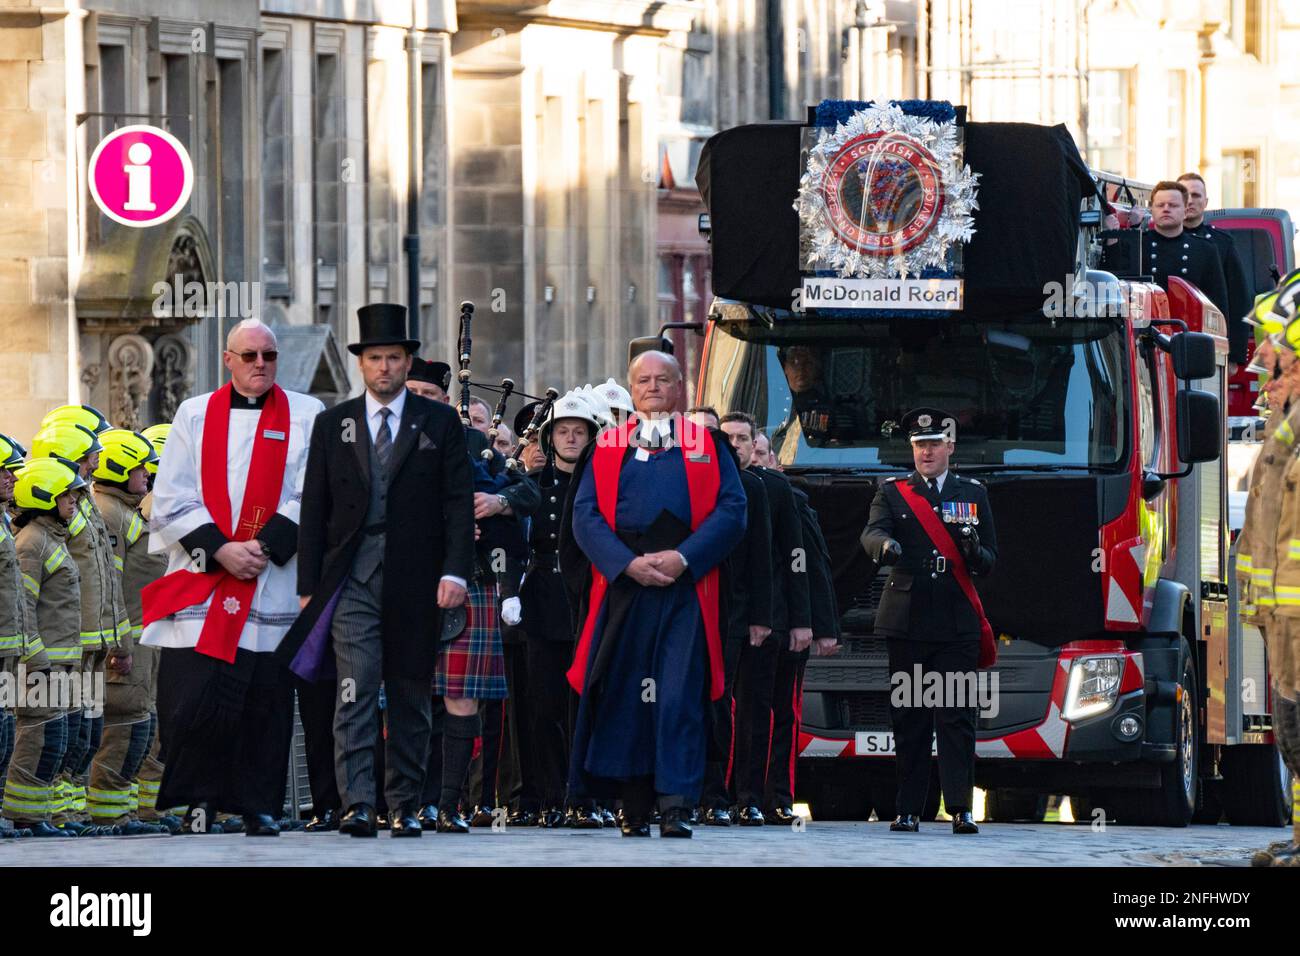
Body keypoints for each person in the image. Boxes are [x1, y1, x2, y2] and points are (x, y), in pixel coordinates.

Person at [288, 303, 475, 838]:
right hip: (351, 580)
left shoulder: (438, 421)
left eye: (394, 357)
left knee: (413, 693)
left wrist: (455, 573)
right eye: (376, 358)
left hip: (420, 580)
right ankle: (358, 804)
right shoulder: (334, 423)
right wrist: (307, 589)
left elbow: (458, 503)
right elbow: (314, 510)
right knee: (356, 690)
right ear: (361, 364)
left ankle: (405, 805)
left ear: (407, 361)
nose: (385, 367)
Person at [142, 318, 324, 837]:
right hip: (205, 579)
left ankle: (257, 805)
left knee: (264, 704)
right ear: (228, 360)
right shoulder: (194, 414)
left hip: (270, 580)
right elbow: (172, 494)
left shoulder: (308, 414)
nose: (260, 365)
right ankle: (197, 801)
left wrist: (262, 549)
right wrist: (222, 550)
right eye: (249, 356)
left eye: (268, 356)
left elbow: (311, 493)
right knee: (193, 702)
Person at [561, 351, 746, 838]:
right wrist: (627, 564)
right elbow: (584, 516)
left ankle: (676, 803)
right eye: (643, 380)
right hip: (626, 587)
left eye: (663, 379)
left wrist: (684, 558)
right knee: (625, 694)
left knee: (678, 693)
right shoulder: (606, 445)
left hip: (686, 587)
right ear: (631, 387)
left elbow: (732, 509)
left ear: (681, 387)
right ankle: (633, 804)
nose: (653, 387)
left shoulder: (708, 443)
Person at [861, 407, 998, 835]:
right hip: (908, 619)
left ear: (950, 447)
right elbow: (871, 533)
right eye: (920, 446)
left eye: (934, 444)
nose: (926, 452)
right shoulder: (894, 491)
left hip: (956, 619)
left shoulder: (972, 492)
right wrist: (884, 548)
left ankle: (961, 807)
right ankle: (909, 808)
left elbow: (991, 559)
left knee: (956, 715)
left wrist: (974, 550)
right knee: (911, 714)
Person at [29, 418, 123, 835]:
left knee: (83, 732)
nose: (96, 463)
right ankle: (54, 813)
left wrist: (115, 637)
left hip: (91, 641)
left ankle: (72, 811)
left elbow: (105, 573)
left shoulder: (82, 506)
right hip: (69, 641)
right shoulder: (53, 519)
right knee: (57, 730)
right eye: (89, 458)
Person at [514, 390, 600, 828]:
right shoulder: (533, 486)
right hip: (544, 599)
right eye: (563, 431)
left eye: (578, 432)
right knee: (542, 704)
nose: (570, 439)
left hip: (589, 596)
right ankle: (549, 795)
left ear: (590, 437)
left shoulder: (602, 484)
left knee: (585, 704)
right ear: (550, 439)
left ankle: (584, 795)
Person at [691, 408, 773, 826]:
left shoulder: (750, 487)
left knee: (729, 706)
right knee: (688, 704)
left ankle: (728, 795)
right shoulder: (681, 480)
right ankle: (689, 792)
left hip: (734, 615)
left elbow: (762, 556)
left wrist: (761, 616)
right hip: (686, 608)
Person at [86, 429, 169, 835]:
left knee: (144, 722)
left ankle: (139, 810)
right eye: (139, 470)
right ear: (119, 470)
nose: (147, 477)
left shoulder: (126, 510)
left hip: (145, 634)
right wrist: (118, 642)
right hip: (128, 639)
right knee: (124, 724)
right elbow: (109, 584)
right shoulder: (110, 514)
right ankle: (110, 812)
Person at [731, 415, 811, 825]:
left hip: (764, 622)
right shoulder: (696, 483)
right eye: (729, 439)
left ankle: (762, 796)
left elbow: (799, 560)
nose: (739, 447)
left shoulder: (778, 491)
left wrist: (805, 621)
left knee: (762, 711)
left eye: (745, 440)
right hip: (715, 617)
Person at [4, 458, 83, 837]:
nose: (73, 501)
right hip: (42, 661)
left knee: (56, 739)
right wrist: (36, 658)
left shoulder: (52, 537)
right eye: (67, 494)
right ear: (45, 497)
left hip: (62, 659)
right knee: (38, 737)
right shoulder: (33, 542)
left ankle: (40, 815)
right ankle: (26, 817)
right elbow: (24, 608)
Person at [1103, 180, 1230, 322]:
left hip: (1189, 334)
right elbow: (1113, 284)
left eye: (1173, 205)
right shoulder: (1137, 245)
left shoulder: (1204, 250)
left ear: (1186, 211)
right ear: (1152, 210)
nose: (1166, 209)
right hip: (1145, 331)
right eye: (1160, 205)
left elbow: (1218, 304)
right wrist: (1112, 239)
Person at [1179, 172, 1253, 369]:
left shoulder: (1222, 243)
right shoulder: (1154, 241)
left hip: (1211, 343)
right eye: (1184, 195)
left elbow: (1239, 300)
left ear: (1206, 202)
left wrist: (1235, 356)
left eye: (1196, 196)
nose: (1190, 201)